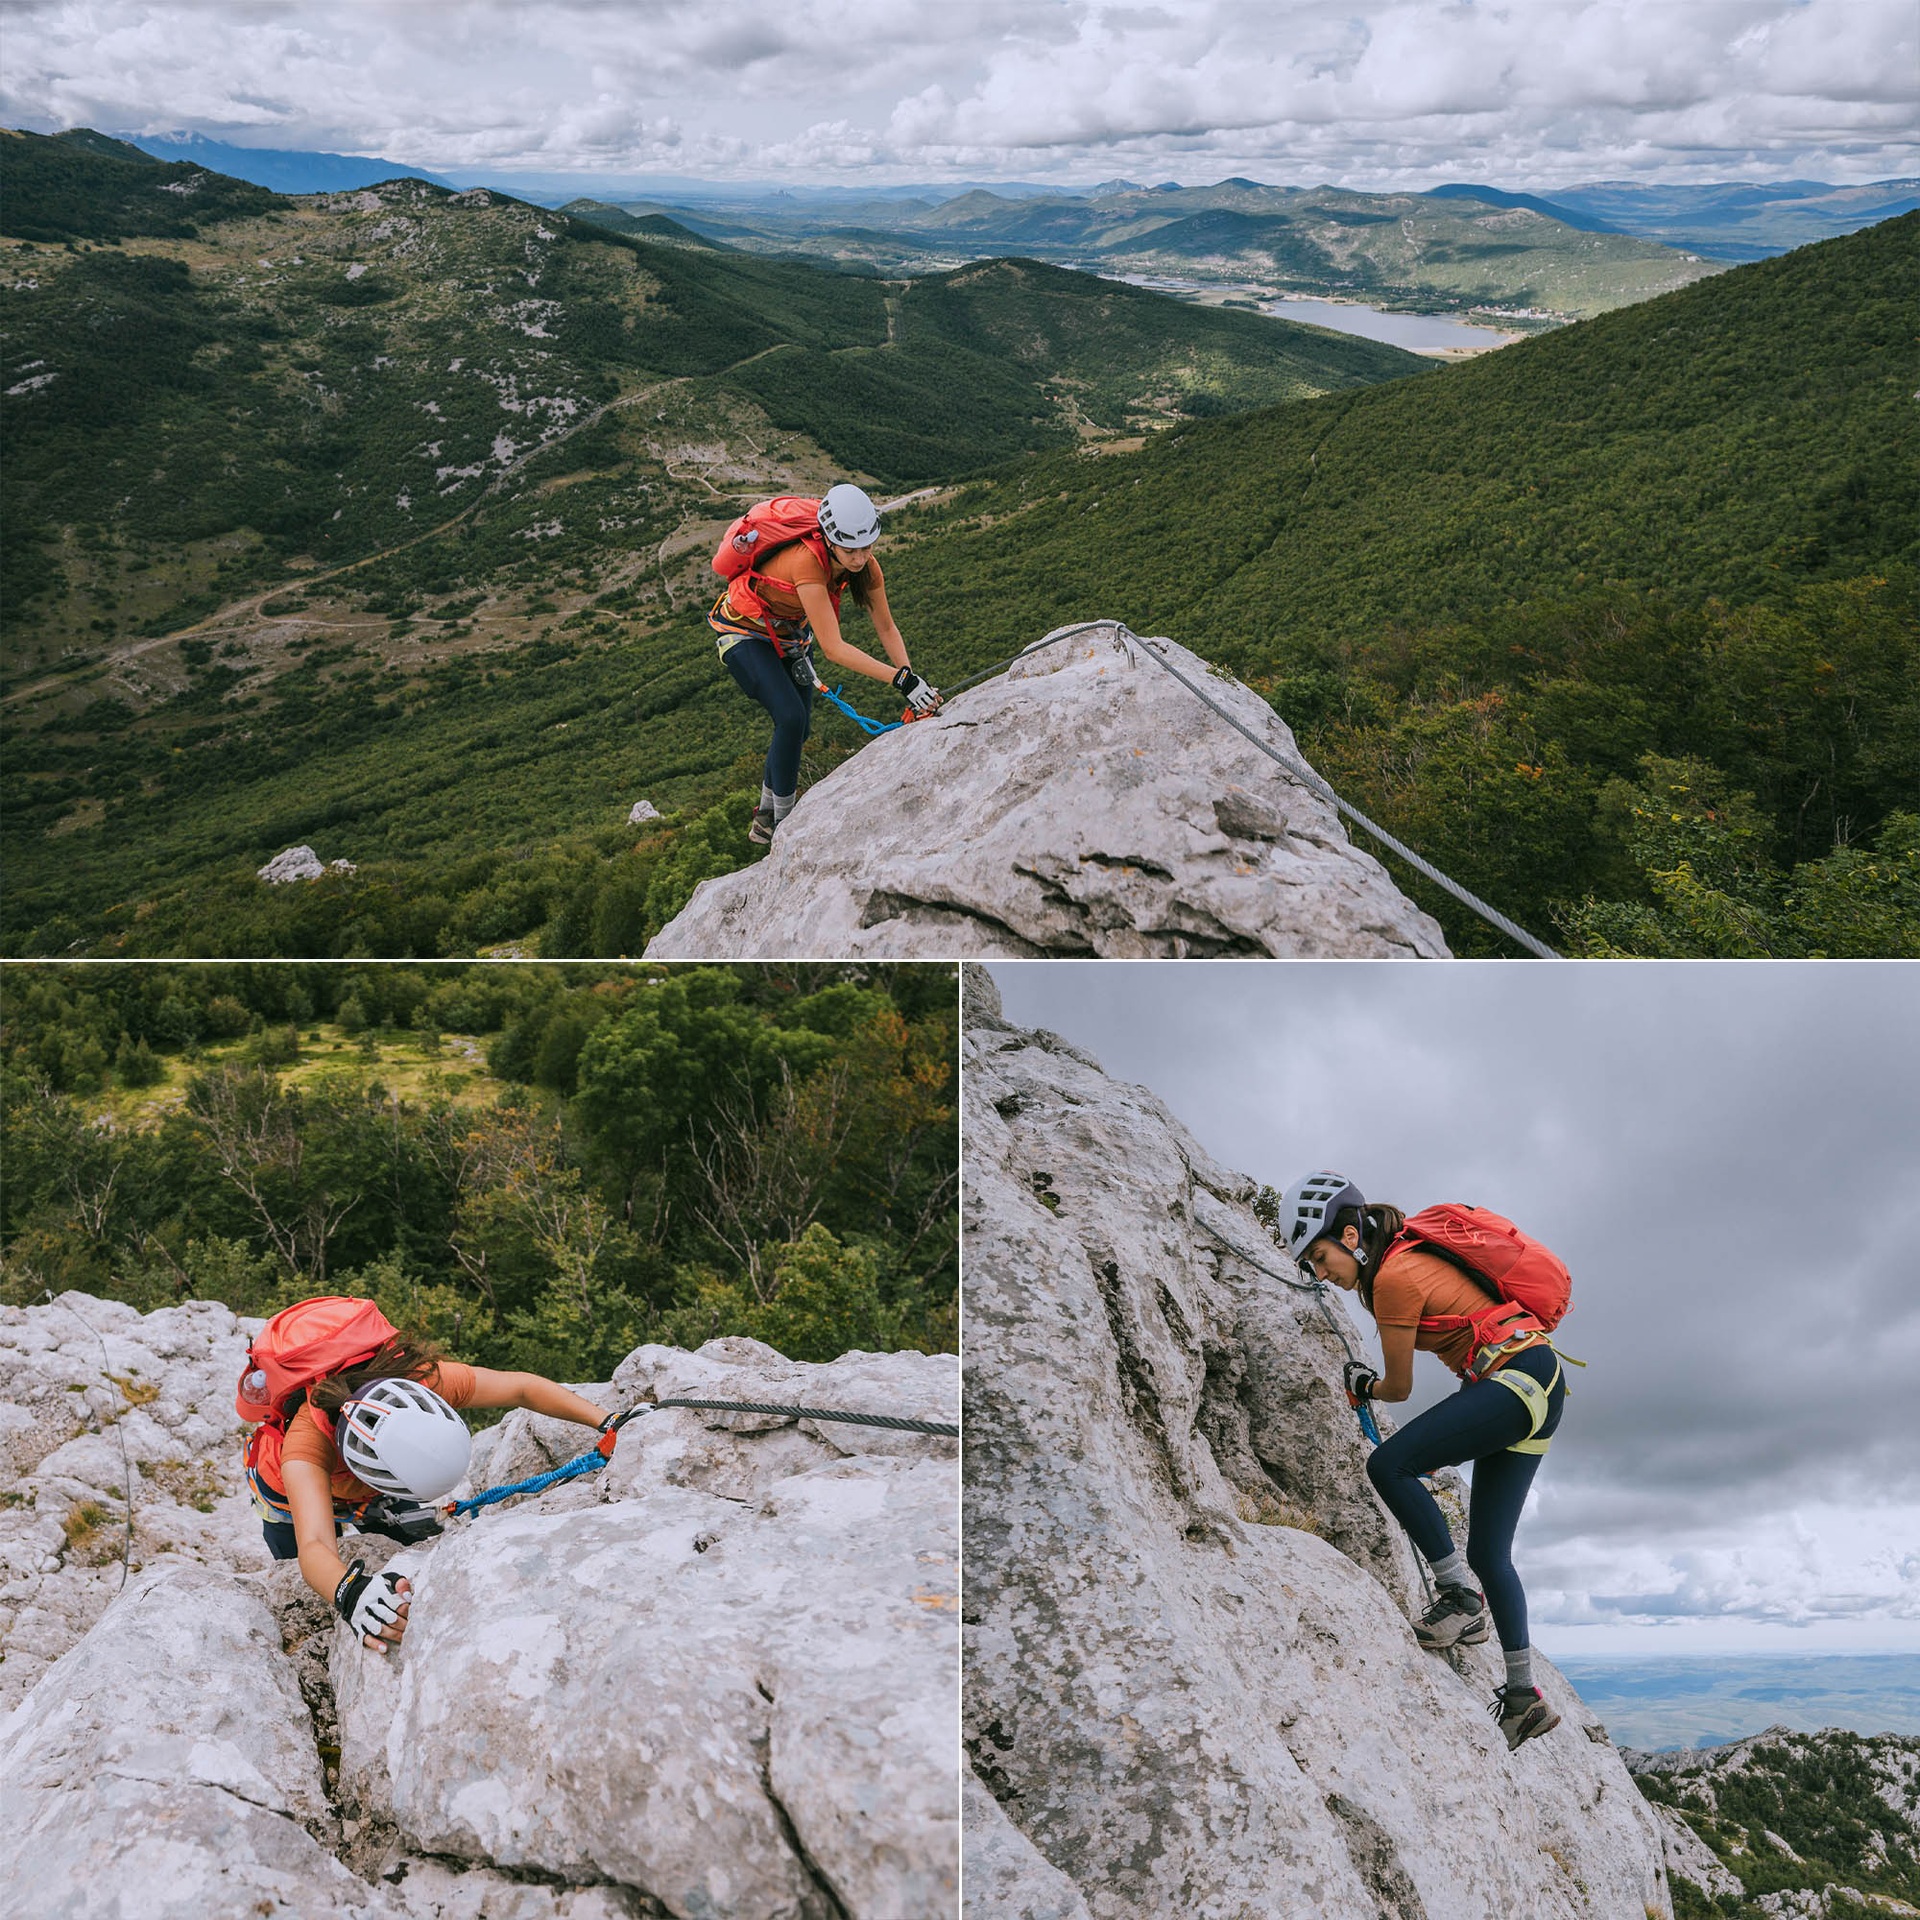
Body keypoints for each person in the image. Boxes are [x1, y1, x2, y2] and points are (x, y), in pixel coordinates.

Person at [1279, 1171, 1568, 1752]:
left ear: (1352, 1234)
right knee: (1489, 1552)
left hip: (1513, 1379)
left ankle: (1460, 1599)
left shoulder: (1392, 1277)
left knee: (1389, 1466)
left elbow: (1399, 1387)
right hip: (1539, 1380)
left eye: (1320, 1254)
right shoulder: (1404, 1260)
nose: (1320, 1271)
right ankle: (1522, 1698)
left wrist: (1363, 1382)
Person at [245, 1318, 613, 1656]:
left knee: (411, 1536)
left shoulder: (422, 1382)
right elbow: (315, 1545)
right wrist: (351, 1593)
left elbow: (522, 1388)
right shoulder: (304, 1444)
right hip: (284, 1497)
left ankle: (383, 1502)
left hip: (375, 1489)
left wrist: (609, 1421)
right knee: (290, 1565)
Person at [707, 483, 941, 845]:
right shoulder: (806, 560)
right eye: (850, 549)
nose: (860, 557)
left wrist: (912, 679)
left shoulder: (865, 565)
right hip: (743, 632)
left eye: (867, 547)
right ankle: (783, 825)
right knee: (790, 718)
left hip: (789, 638)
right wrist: (901, 682)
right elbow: (834, 648)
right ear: (829, 540)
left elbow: (887, 627)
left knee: (798, 731)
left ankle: (765, 817)